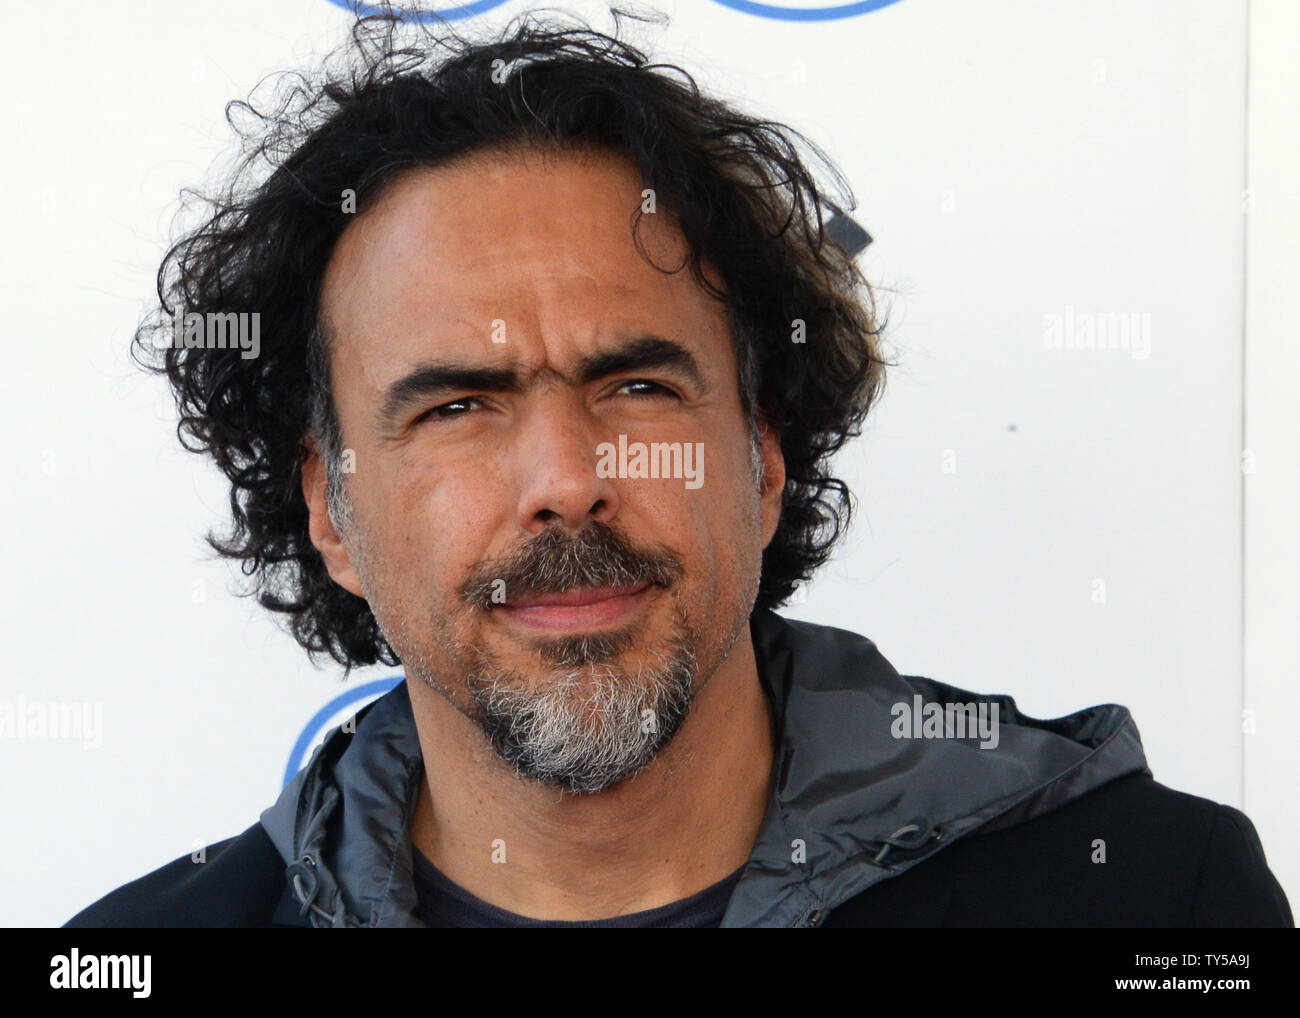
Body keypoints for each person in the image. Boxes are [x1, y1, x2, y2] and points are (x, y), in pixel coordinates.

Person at [66, 10, 1291, 928]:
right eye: (456, 406)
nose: (564, 477)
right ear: (330, 510)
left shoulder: (1150, 898)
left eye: (636, 385)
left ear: (763, 460)